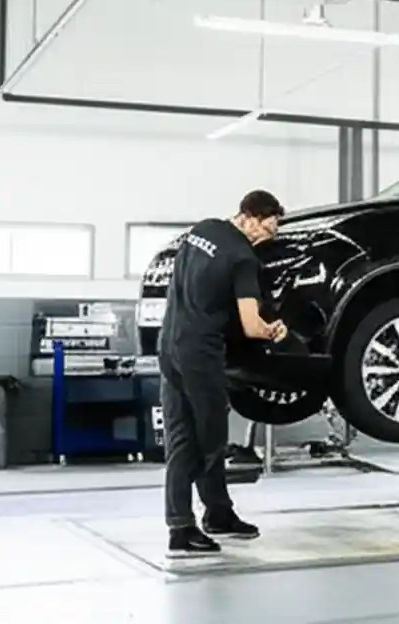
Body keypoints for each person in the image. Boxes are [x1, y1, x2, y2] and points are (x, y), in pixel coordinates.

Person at [158, 189, 288, 558]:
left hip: (170, 346)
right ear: (250, 216)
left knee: (182, 436)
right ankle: (181, 529)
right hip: (200, 356)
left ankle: (218, 514)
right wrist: (276, 330)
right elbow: (250, 325)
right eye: (270, 226)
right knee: (203, 443)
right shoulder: (243, 258)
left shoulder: (201, 230)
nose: (270, 235)